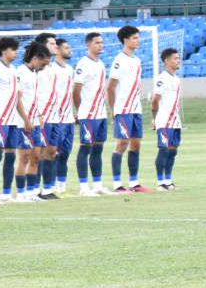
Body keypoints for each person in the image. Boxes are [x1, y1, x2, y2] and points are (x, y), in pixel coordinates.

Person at [107, 25, 151, 193]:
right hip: (123, 109)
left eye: (138, 37)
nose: (138, 40)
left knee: (136, 144)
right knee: (121, 144)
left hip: (136, 109)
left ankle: (134, 183)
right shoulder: (119, 60)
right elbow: (110, 87)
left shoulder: (137, 60)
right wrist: (114, 110)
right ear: (126, 40)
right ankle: (117, 184)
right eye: (134, 38)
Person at [73, 32, 110, 196]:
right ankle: (83, 187)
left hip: (101, 114)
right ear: (89, 44)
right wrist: (81, 111)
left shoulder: (101, 64)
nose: (100, 45)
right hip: (88, 114)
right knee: (85, 148)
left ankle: (97, 184)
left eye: (102, 42)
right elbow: (76, 91)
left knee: (98, 149)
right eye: (97, 42)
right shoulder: (83, 63)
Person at [0, 37, 23, 203]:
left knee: (11, 156)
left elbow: (17, 97)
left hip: (13, 121)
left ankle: (7, 191)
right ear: (4, 51)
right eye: (13, 49)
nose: (16, 53)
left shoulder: (14, 69)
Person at [15, 42, 51, 202]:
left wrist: (39, 116)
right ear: (36, 58)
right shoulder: (20, 73)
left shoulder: (35, 73)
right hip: (23, 122)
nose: (44, 66)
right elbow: (17, 100)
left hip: (35, 121)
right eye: (43, 63)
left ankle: (31, 192)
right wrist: (26, 119)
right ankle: (21, 193)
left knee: (36, 155)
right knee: (24, 156)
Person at [47, 37, 76, 194]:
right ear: (57, 50)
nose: (69, 50)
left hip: (69, 118)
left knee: (65, 153)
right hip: (56, 119)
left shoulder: (70, 69)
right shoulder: (51, 69)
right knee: (52, 154)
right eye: (66, 47)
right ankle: (49, 186)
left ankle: (61, 186)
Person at [33, 33, 60, 199]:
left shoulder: (53, 68)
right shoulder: (36, 69)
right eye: (52, 43)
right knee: (38, 154)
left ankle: (49, 188)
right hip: (42, 117)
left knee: (51, 152)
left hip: (55, 116)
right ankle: (35, 189)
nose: (55, 46)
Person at [151, 48, 182, 190]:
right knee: (163, 150)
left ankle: (168, 180)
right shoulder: (162, 78)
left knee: (173, 151)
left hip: (175, 121)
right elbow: (155, 100)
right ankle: (160, 182)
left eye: (178, 58)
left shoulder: (176, 79)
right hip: (163, 121)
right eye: (175, 58)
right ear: (167, 61)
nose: (178, 60)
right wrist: (155, 118)